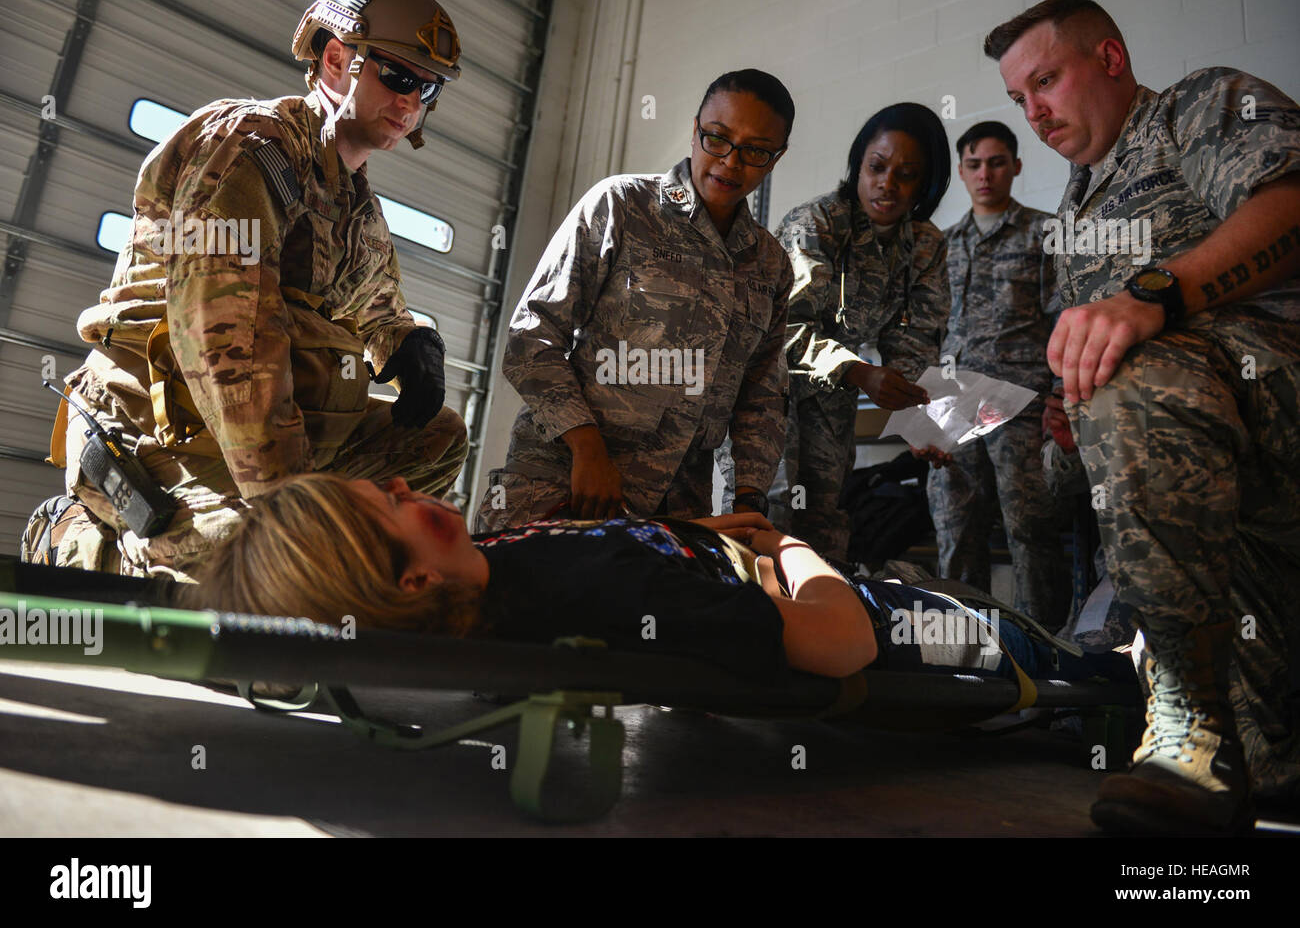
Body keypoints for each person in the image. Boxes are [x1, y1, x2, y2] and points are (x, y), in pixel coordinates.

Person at [27, 0, 470, 584]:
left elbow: (380, 308)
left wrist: (410, 342)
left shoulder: (355, 206)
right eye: (397, 77)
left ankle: (298, 546)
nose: (410, 102)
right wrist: (289, 509)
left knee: (439, 438)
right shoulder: (251, 148)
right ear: (337, 60)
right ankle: (79, 541)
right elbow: (221, 335)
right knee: (265, 569)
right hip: (157, 429)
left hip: (261, 435)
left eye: (428, 88)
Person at [987, 0, 1300, 834]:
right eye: (1020, 99)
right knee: (1274, 770)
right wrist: (1071, 422)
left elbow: (1293, 204)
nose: (1035, 111)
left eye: (1046, 80)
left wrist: (1152, 297)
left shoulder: (1196, 106)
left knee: (1138, 374)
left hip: (1273, 391)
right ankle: (1221, 742)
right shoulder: (1075, 214)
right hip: (1204, 481)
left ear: (1111, 59)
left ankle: (1189, 730)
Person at [187, 473, 1131, 690]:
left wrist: (696, 532)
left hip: (726, 557)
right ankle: (1112, 671)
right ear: (405, 574)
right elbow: (845, 645)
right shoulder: (592, 588)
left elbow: (607, 551)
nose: (408, 483)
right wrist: (794, 551)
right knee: (1043, 653)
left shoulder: (508, 580)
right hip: (900, 626)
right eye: (391, 498)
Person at [476, 70, 795, 531]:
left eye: (755, 151)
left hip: (676, 509)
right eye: (717, 138)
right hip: (564, 482)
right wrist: (587, 448)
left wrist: (747, 496)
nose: (729, 161)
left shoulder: (770, 264)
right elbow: (532, 336)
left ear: (775, 158)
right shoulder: (621, 206)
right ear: (694, 129)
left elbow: (761, 395)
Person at [769, 103, 951, 562]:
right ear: (859, 166)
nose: (887, 184)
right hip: (766, 395)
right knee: (768, 518)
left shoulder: (924, 243)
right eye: (877, 167)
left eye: (906, 174)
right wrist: (859, 372)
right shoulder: (816, 224)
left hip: (832, 402)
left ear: (925, 182)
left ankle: (819, 624)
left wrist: (922, 423)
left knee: (822, 522)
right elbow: (785, 329)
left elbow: (915, 340)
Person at [926, 121, 1069, 629]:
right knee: (956, 530)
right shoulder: (942, 244)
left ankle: (1045, 650)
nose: (985, 173)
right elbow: (929, 329)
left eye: (996, 162)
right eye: (974, 164)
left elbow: (1064, 318)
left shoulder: (1045, 232)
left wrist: (1060, 396)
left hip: (1021, 405)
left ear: (1016, 166)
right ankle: (965, 648)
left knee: (1031, 530)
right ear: (962, 172)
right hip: (953, 408)